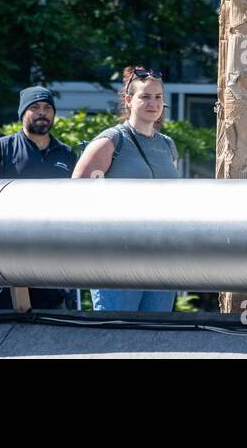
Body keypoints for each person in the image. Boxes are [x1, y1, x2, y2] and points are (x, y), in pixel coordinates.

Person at [73, 66, 181, 314]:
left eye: (158, 97)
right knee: (117, 337)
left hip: (162, 257)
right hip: (117, 258)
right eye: (145, 96)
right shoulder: (110, 141)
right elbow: (76, 195)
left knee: (157, 337)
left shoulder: (167, 145)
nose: (153, 103)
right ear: (129, 100)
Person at [0, 86, 77, 311]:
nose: (42, 112)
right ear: (22, 113)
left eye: (48, 108)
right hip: (10, 253)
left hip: (53, 256)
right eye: (35, 107)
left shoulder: (66, 154)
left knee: (54, 328)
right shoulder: (3, 148)